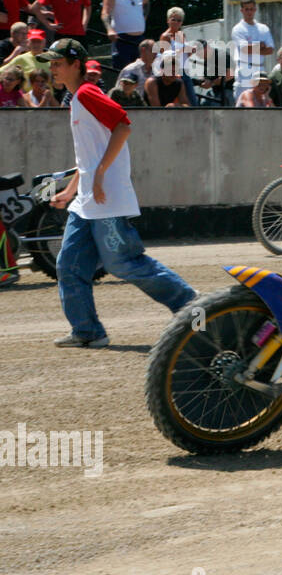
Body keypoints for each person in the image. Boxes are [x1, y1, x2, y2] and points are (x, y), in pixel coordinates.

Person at [39, 39, 196, 346]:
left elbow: (124, 126)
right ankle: (88, 332)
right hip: (87, 202)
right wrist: (71, 190)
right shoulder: (76, 97)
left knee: (124, 263)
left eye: (57, 63)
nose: (52, 69)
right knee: (68, 266)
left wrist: (99, 175)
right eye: (51, 64)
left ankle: (195, 308)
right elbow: (87, 156)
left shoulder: (86, 93)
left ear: (75, 65)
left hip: (106, 199)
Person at [100, 0, 149, 69]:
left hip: (139, 40)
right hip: (122, 39)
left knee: (142, 71)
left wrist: (143, 18)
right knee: (123, 71)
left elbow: (146, 3)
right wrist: (109, 29)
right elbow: (105, 12)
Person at [230, 0, 274, 98]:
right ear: (242, 10)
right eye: (246, 9)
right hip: (245, 69)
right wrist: (261, 45)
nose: (249, 12)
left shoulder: (263, 28)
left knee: (260, 100)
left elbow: (270, 50)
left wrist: (253, 47)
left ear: (255, 9)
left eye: (251, 9)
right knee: (244, 100)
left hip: (260, 68)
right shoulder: (238, 29)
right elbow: (245, 49)